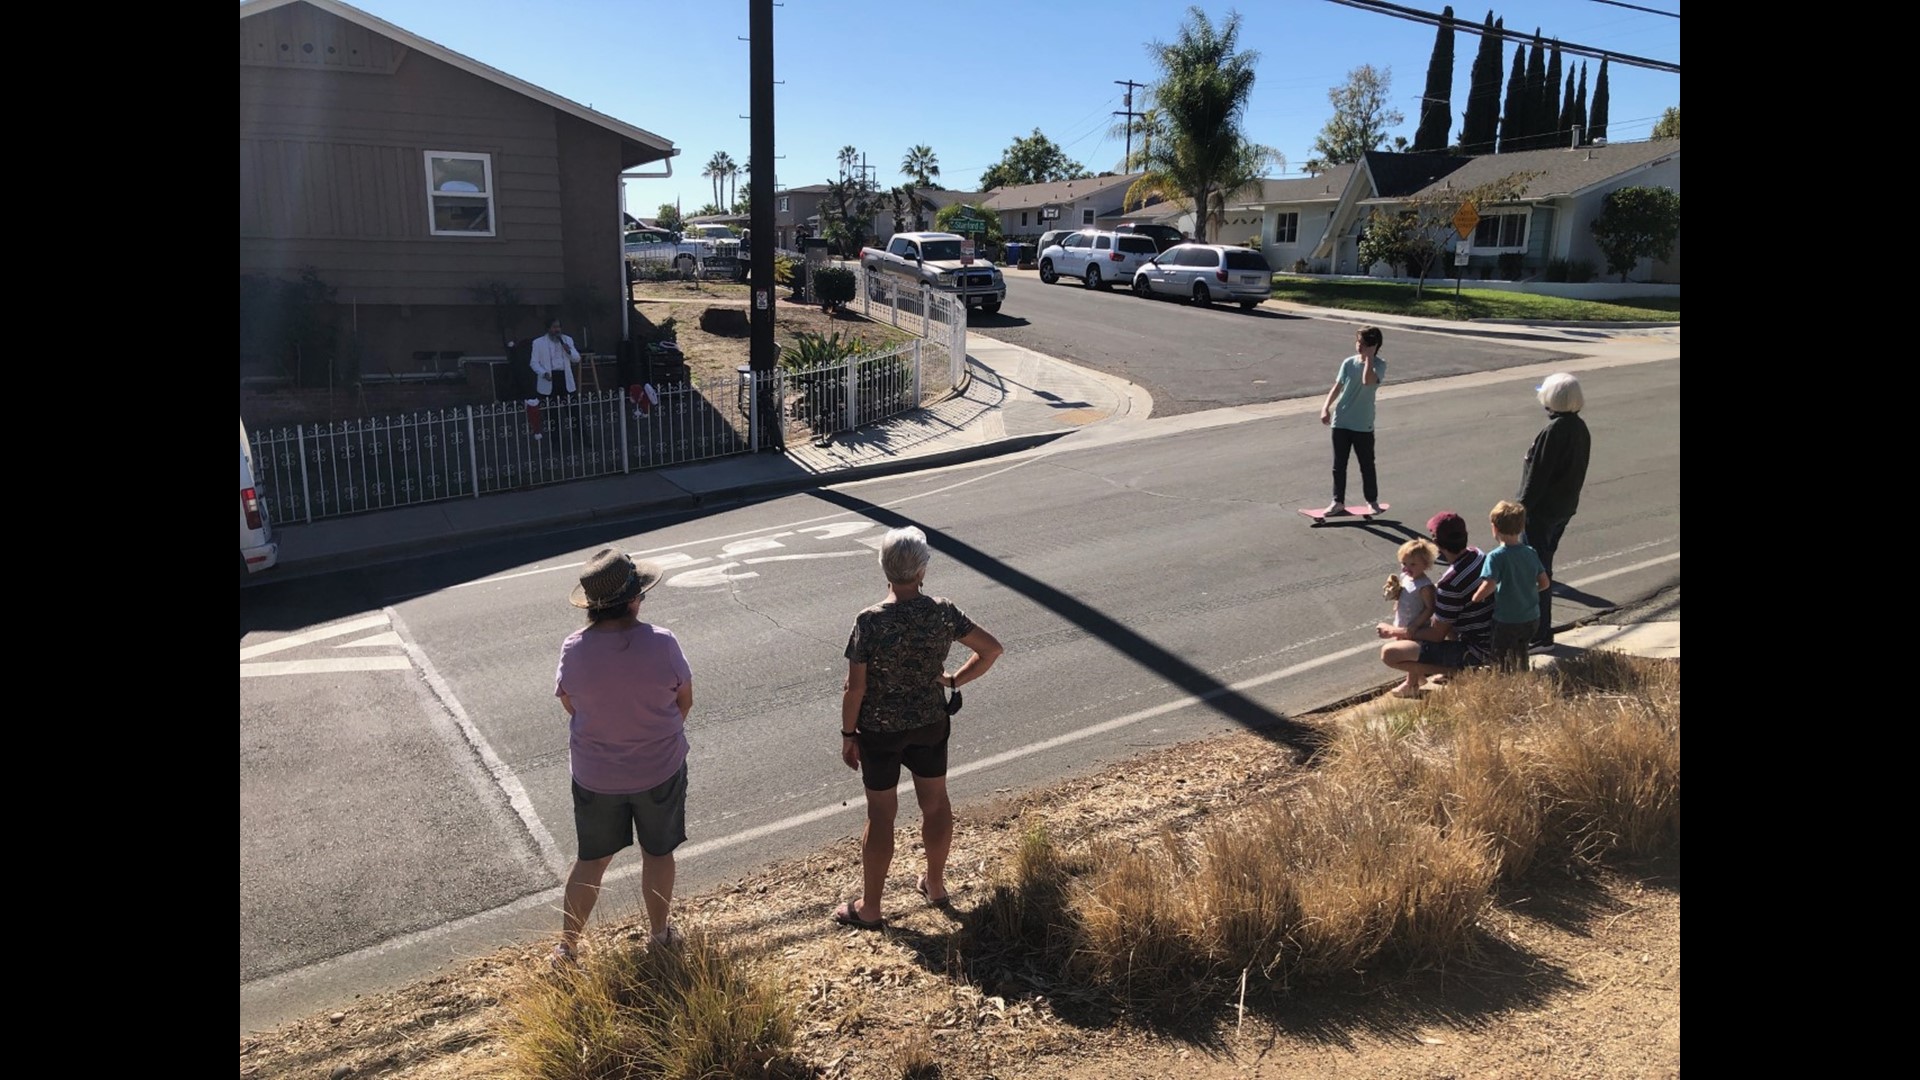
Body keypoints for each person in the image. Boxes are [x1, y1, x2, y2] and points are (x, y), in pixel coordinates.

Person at [834, 526, 1003, 929]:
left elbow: (855, 689)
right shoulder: (943, 611)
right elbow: (991, 649)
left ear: (884, 568)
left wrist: (848, 735)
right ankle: (936, 885)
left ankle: (871, 908)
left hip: (880, 731)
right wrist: (953, 680)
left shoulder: (869, 621)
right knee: (936, 803)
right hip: (930, 722)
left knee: (881, 814)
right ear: (922, 569)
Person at [551, 548, 692, 968]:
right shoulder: (663, 642)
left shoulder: (573, 648)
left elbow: (570, 704)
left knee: (591, 860)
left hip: (596, 775)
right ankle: (660, 935)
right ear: (633, 600)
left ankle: (567, 949)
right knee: (658, 852)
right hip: (660, 767)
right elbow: (684, 701)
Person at [1377, 512, 1496, 695]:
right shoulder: (1477, 554)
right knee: (1443, 621)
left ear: (1436, 543)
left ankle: (1464, 672)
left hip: (1477, 649)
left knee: (1390, 653)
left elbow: (1436, 635)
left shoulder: (1450, 583)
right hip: (1493, 635)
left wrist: (1395, 631)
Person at [1515, 372, 1591, 649]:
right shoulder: (1579, 427)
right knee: (1542, 566)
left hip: (1541, 514)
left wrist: (1518, 511)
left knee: (1538, 573)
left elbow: (1538, 477)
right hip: (1562, 509)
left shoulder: (1554, 431)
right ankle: (1539, 631)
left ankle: (1541, 635)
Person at [1472, 501, 1552, 673]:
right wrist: (1528, 590)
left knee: (1501, 656)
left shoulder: (1495, 557)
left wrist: (1476, 598)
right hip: (1532, 617)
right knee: (1521, 651)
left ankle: (1507, 680)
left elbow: (1489, 585)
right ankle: (1522, 675)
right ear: (1522, 527)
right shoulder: (1530, 552)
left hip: (1507, 619)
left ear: (1494, 528)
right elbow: (1545, 583)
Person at [1318, 326, 1386, 516]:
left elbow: (1367, 381)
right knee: (1338, 465)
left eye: (1363, 343)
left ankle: (1372, 501)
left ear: (1373, 345)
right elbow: (1337, 386)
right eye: (1358, 342)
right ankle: (1337, 501)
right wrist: (1325, 407)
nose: (1359, 346)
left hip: (1363, 423)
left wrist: (1369, 357)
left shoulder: (1380, 365)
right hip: (1341, 420)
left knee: (1367, 464)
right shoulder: (1348, 362)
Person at [530, 319, 581, 441]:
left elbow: (577, 359)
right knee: (552, 415)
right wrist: (543, 373)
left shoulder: (567, 340)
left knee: (574, 411)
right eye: (554, 327)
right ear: (548, 329)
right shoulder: (538, 343)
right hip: (549, 378)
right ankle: (556, 443)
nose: (557, 330)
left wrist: (569, 351)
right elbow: (534, 362)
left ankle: (583, 438)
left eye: (558, 327)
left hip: (565, 379)